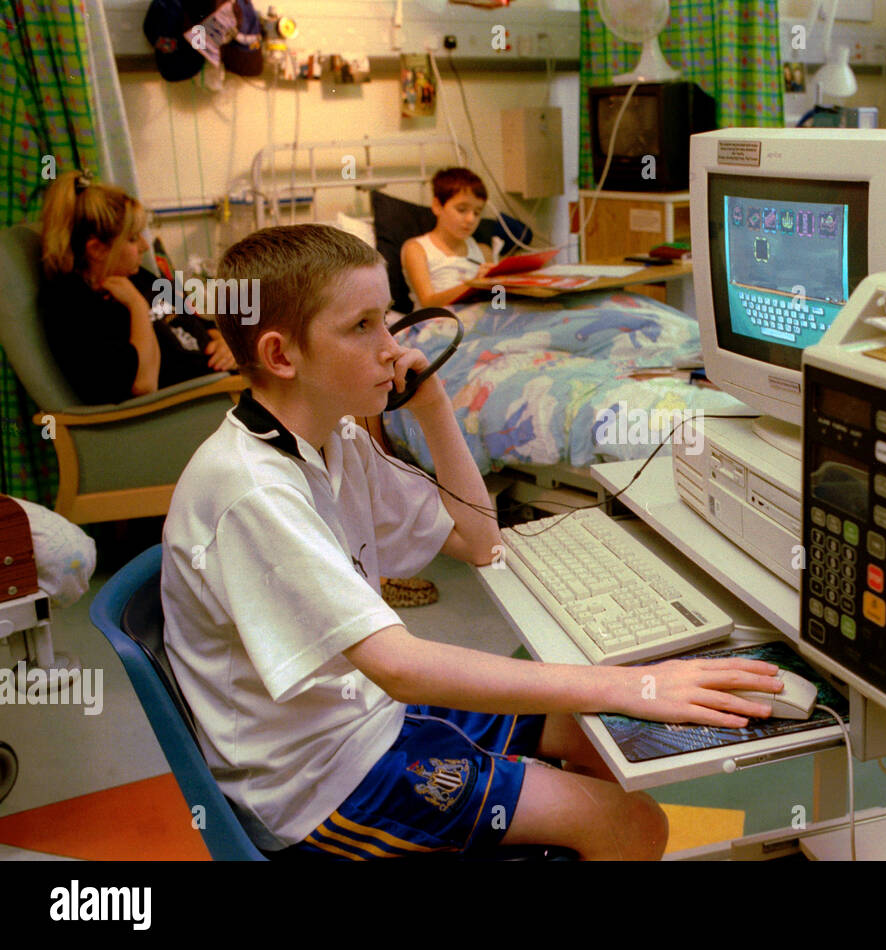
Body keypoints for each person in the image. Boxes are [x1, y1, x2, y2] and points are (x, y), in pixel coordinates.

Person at [160, 223, 785, 860]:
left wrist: (431, 407)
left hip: (371, 719)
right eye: (362, 326)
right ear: (282, 356)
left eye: (388, 319)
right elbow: (399, 667)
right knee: (633, 821)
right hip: (321, 785)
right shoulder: (250, 490)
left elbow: (479, 539)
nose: (393, 347)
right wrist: (631, 683)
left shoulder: (336, 440)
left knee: (608, 737)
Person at [38, 171, 236, 405]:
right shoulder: (71, 304)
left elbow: (197, 322)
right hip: (195, 408)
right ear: (96, 249)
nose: (144, 246)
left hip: (227, 384)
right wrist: (138, 307)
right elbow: (144, 385)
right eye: (132, 238)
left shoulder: (137, 276)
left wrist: (225, 344)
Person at [401, 166, 496, 310]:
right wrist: (475, 284)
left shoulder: (484, 252)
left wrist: (501, 285)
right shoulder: (417, 249)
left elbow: (498, 305)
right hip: (434, 324)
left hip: (480, 323)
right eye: (462, 210)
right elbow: (428, 302)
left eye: (477, 212)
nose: (471, 219)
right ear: (437, 206)